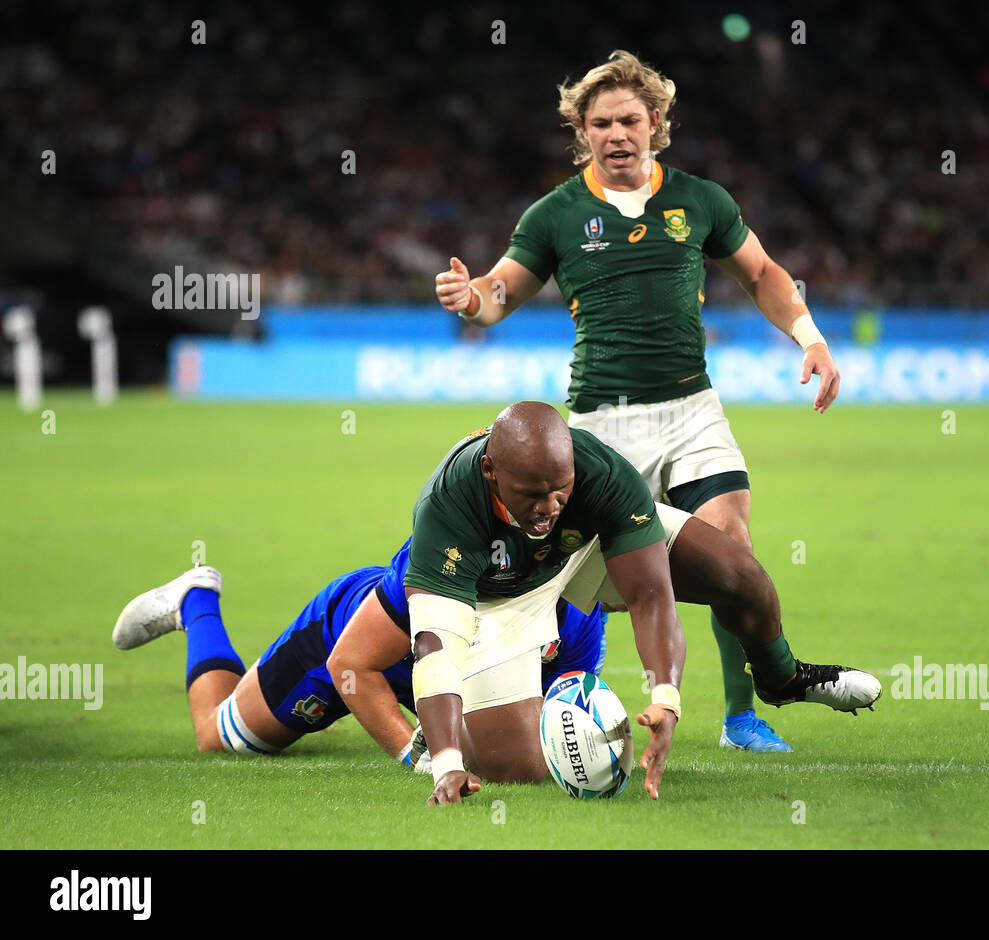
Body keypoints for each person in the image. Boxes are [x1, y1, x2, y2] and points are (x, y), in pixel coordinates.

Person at [434, 50, 842, 754]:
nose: (616, 133)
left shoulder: (700, 200)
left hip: (691, 409)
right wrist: (471, 298)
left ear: (656, 122)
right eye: (600, 123)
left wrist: (809, 337)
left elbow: (764, 273)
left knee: (732, 550)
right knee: (579, 585)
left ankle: (742, 717)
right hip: (601, 425)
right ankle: (493, 705)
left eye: (629, 119)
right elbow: (500, 292)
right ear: (582, 133)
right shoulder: (557, 214)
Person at [325, 402, 879, 804]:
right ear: (492, 473)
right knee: (517, 770)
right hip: (496, 601)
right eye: (530, 495)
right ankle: (462, 732)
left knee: (739, 574)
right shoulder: (448, 506)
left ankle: (779, 678)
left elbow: (650, 592)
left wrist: (666, 696)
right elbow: (436, 648)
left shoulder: (602, 473)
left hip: (580, 552)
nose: (547, 507)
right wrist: (444, 763)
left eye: (559, 490)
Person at [111, 541, 608, 761]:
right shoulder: (441, 559)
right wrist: (424, 760)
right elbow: (352, 662)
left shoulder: (582, 615)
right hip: (350, 644)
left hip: (439, 674)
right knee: (218, 737)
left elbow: (553, 718)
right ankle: (196, 600)